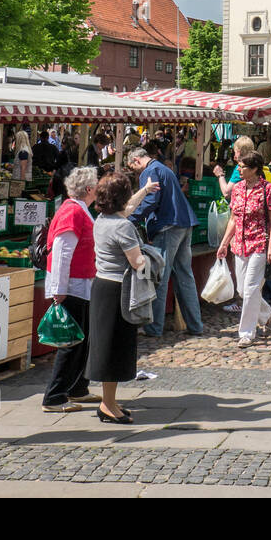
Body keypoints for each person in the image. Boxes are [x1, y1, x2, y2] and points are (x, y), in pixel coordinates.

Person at [87, 172, 157, 424]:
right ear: (121, 197)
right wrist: (153, 260)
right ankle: (107, 404)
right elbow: (137, 262)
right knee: (113, 349)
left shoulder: (101, 220)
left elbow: (126, 209)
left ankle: (111, 401)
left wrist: (145, 191)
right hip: (119, 290)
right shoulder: (123, 227)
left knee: (109, 346)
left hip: (102, 286)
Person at [127, 147, 203, 338]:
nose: (136, 173)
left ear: (136, 160)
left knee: (160, 276)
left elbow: (150, 200)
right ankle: (195, 325)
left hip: (168, 225)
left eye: (133, 168)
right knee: (185, 276)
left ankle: (154, 327)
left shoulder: (150, 172)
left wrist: (128, 219)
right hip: (184, 223)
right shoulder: (164, 168)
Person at [43, 166, 101, 413]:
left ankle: (78, 387)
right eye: (96, 185)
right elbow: (62, 252)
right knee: (71, 342)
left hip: (82, 283)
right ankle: (54, 396)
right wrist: (59, 289)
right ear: (88, 189)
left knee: (83, 340)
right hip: (72, 286)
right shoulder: (72, 213)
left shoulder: (78, 210)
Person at [215, 152, 271, 348]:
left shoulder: (267, 189)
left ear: (254, 169)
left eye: (242, 167)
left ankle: (246, 333)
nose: (238, 170)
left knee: (252, 288)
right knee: (243, 290)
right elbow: (234, 219)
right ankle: (268, 315)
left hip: (259, 243)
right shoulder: (237, 189)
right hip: (239, 244)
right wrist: (224, 243)